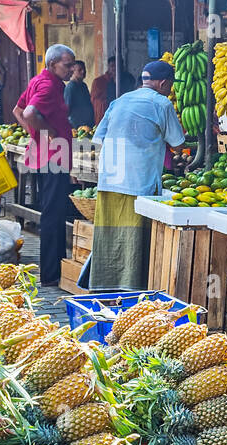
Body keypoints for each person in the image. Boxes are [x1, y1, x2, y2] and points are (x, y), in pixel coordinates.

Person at [91, 60, 187, 291]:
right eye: (171, 85)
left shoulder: (120, 100)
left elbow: (98, 137)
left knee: (110, 234)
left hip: (110, 179)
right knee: (134, 237)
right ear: (163, 83)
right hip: (138, 181)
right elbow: (178, 143)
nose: (170, 89)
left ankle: (104, 285)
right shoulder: (162, 103)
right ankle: (131, 287)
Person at [13, 44, 76, 286]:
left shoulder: (40, 80)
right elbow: (28, 113)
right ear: (52, 65)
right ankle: (51, 275)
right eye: (67, 65)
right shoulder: (49, 86)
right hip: (53, 159)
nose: (71, 69)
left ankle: (54, 270)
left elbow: (17, 110)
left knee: (51, 213)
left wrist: (35, 135)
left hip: (43, 156)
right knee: (53, 215)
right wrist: (48, 132)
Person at [90, 56, 136, 123]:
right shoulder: (99, 81)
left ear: (122, 66)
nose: (115, 68)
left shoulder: (128, 78)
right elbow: (95, 101)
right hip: (106, 115)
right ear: (108, 68)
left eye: (117, 66)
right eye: (112, 66)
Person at [65, 61, 95, 129]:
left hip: (88, 125)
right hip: (77, 127)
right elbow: (67, 108)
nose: (83, 72)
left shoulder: (83, 86)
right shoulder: (70, 87)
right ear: (73, 71)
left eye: (84, 69)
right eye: (80, 70)